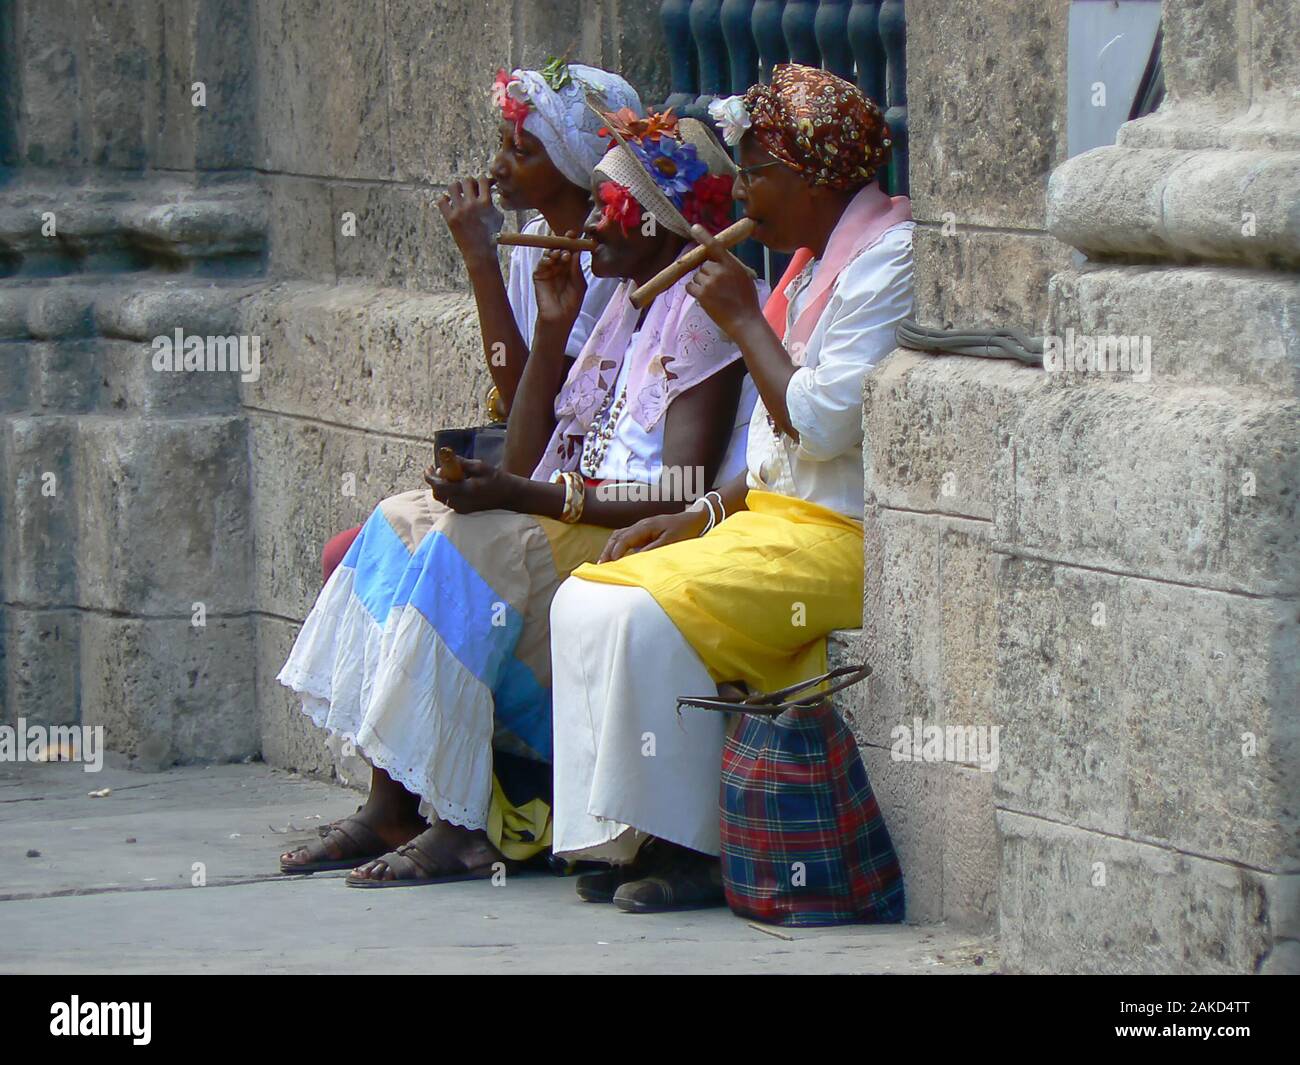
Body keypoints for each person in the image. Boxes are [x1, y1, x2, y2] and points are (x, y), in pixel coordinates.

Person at [277, 111, 763, 885]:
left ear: (663, 219)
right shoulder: (628, 301)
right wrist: (554, 330)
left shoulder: (698, 314)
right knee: (399, 521)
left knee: (472, 545)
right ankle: (391, 801)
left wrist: (530, 496)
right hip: (564, 507)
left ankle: (464, 821)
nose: (593, 219)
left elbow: (679, 489)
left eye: (611, 204)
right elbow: (532, 450)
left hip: (626, 532)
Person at [549, 64, 915, 913]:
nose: (744, 189)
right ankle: (627, 832)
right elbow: (768, 459)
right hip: (771, 522)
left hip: (838, 537)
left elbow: (821, 425)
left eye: (757, 171)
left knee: (643, 614)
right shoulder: (807, 260)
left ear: (815, 177)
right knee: (587, 595)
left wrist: (744, 321)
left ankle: (697, 849)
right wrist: (698, 512)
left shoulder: (887, 259)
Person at [319, 61, 639, 580]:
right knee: (346, 554)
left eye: (523, 152)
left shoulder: (604, 262)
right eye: (501, 145)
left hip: (566, 478)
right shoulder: (530, 242)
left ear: (575, 167)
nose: (496, 167)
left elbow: (526, 399)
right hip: (526, 464)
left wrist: (479, 261)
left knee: (398, 563)